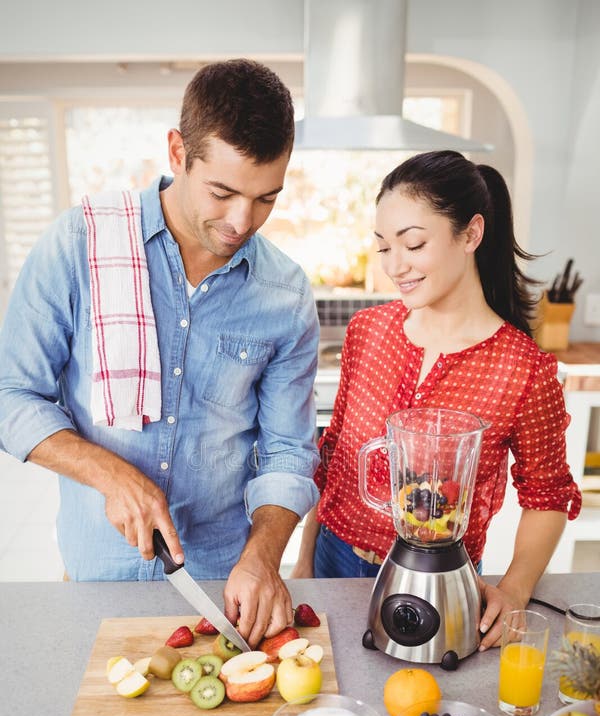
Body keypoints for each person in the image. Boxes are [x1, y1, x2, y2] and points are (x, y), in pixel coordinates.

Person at [0, 59, 320, 646]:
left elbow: (288, 453)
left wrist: (265, 554)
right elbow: (11, 395)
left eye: (265, 198)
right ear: (177, 152)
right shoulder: (80, 245)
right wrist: (109, 472)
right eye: (222, 192)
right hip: (97, 574)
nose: (241, 221)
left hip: (224, 585)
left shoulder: (285, 293)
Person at [292, 150, 581, 650]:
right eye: (383, 247)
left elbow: (548, 497)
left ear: (470, 234)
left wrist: (515, 589)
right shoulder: (367, 332)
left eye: (413, 244)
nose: (394, 265)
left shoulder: (523, 369)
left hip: (441, 581)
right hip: (333, 560)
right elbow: (334, 454)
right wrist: (303, 557)